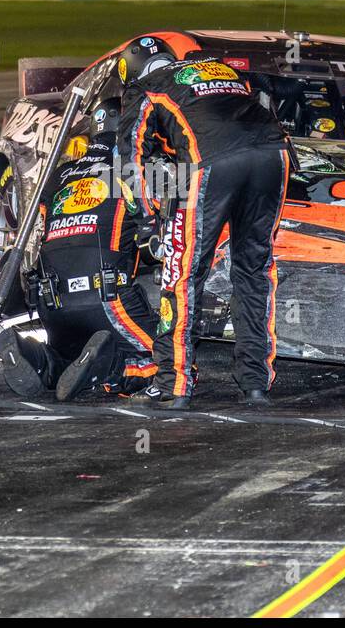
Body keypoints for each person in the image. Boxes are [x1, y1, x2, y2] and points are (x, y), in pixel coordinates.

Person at [117, 35, 291, 409]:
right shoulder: (221, 69)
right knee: (254, 269)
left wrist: (146, 223)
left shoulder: (144, 89)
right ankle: (256, 384)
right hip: (273, 155)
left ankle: (174, 386)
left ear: (128, 75)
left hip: (211, 160)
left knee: (181, 273)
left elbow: (130, 160)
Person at [0, 99, 159, 401]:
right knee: (167, 362)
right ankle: (109, 370)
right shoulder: (138, 169)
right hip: (107, 299)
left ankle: (40, 360)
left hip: (52, 304)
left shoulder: (59, 174)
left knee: (68, 359)